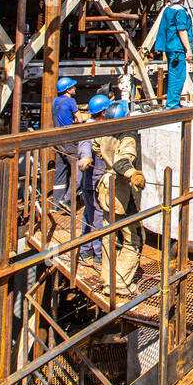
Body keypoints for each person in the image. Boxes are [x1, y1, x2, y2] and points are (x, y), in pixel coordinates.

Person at [89, 98, 147, 297]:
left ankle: (107, 280)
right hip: (122, 192)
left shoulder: (104, 130)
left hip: (105, 188)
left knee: (109, 237)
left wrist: (107, 159)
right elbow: (123, 160)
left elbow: (96, 147)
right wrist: (133, 174)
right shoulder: (127, 136)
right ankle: (120, 281)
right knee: (134, 239)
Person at [73, 93, 113, 261]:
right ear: (103, 113)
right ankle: (99, 253)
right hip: (93, 181)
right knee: (97, 216)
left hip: (92, 181)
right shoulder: (91, 129)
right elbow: (85, 149)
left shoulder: (96, 126)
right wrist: (85, 159)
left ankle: (85, 248)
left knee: (88, 214)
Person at [153, 0, 193, 110]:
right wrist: (189, 50)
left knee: (174, 74)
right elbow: (182, 31)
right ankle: (172, 105)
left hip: (171, 48)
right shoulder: (180, 11)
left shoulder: (168, 9)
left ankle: (173, 102)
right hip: (178, 49)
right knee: (178, 76)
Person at [51, 77, 81, 209]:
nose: (75, 89)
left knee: (60, 171)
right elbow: (79, 119)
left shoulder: (55, 101)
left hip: (58, 140)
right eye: (73, 87)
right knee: (79, 170)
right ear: (68, 89)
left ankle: (55, 203)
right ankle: (67, 199)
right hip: (69, 141)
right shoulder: (70, 101)